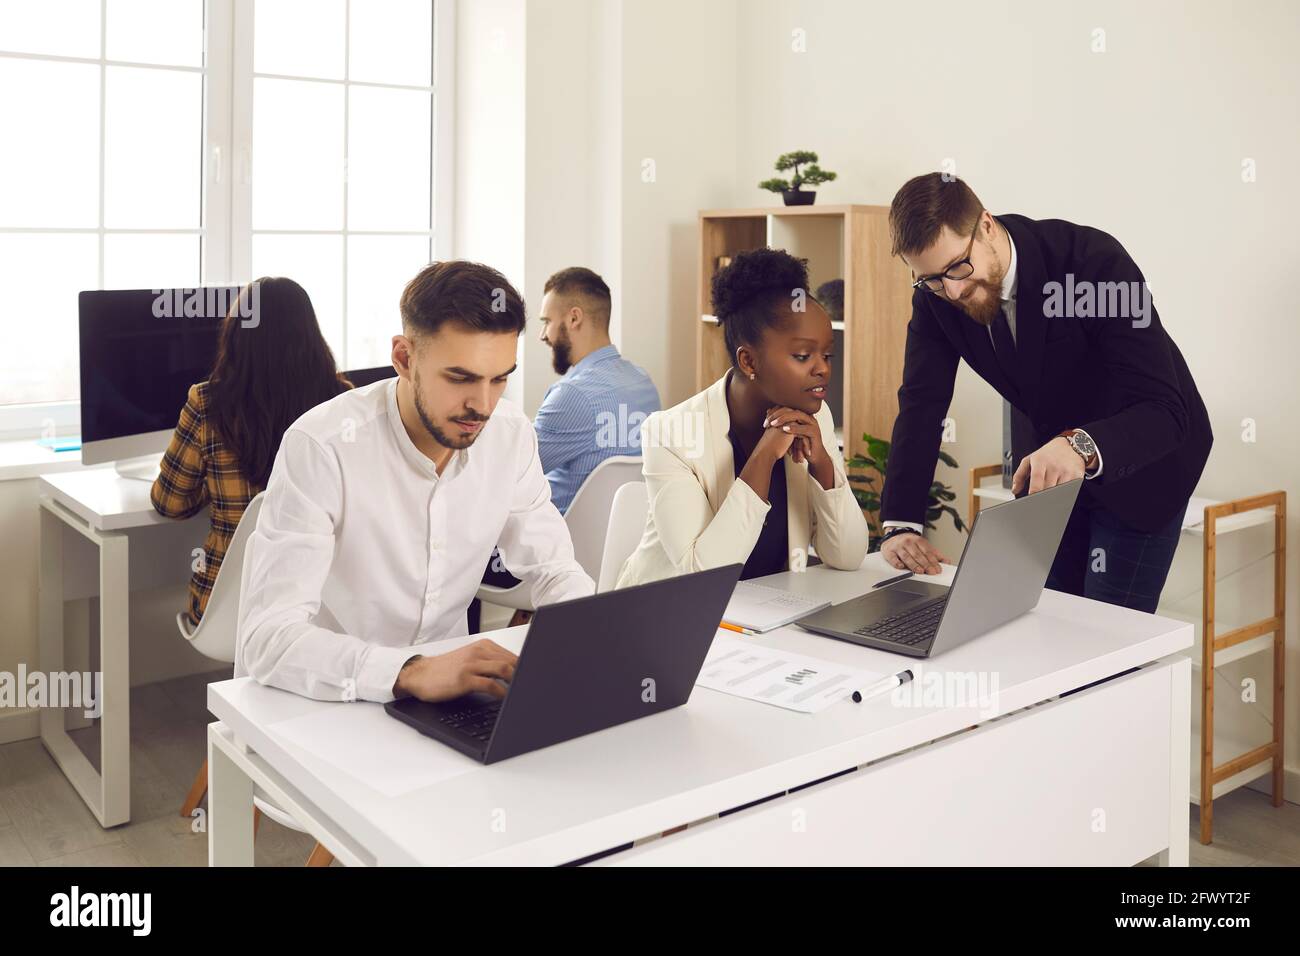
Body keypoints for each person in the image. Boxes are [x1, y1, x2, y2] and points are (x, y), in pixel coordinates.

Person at [236, 260, 595, 703]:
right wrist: (408, 672)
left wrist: (590, 639)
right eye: (460, 378)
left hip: (451, 698)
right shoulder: (322, 445)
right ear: (404, 359)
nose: (482, 405)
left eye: (499, 378)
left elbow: (553, 569)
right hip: (326, 699)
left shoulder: (510, 434)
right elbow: (268, 638)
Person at [878, 173, 1212, 613]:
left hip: (1143, 468)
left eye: (959, 267)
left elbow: (1166, 410)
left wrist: (1079, 447)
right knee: (1048, 626)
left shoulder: (1093, 263)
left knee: (1105, 647)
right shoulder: (936, 296)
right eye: (932, 279)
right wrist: (900, 523)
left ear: (986, 226)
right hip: (1050, 479)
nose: (953, 291)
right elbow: (922, 402)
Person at [615, 248, 868, 588]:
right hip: (667, 623)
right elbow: (701, 577)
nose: (822, 368)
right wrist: (764, 456)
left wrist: (822, 463)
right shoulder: (671, 434)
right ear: (749, 362)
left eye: (827, 354)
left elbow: (848, 557)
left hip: (762, 618)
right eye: (803, 355)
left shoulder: (814, 418)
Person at [151, 277, 350, 627]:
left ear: (235, 334)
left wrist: (211, 487)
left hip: (228, 614)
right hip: (318, 605)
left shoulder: (207, 403)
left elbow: (170, 503)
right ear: (311, 334)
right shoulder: (340, 399)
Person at [534, 267, 660, 513]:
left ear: (574, 318)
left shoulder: (571, 395)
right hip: (622, 537)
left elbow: (509, 473)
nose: (543, 335)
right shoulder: (644, 383)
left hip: (558, 540)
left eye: (547, 321)